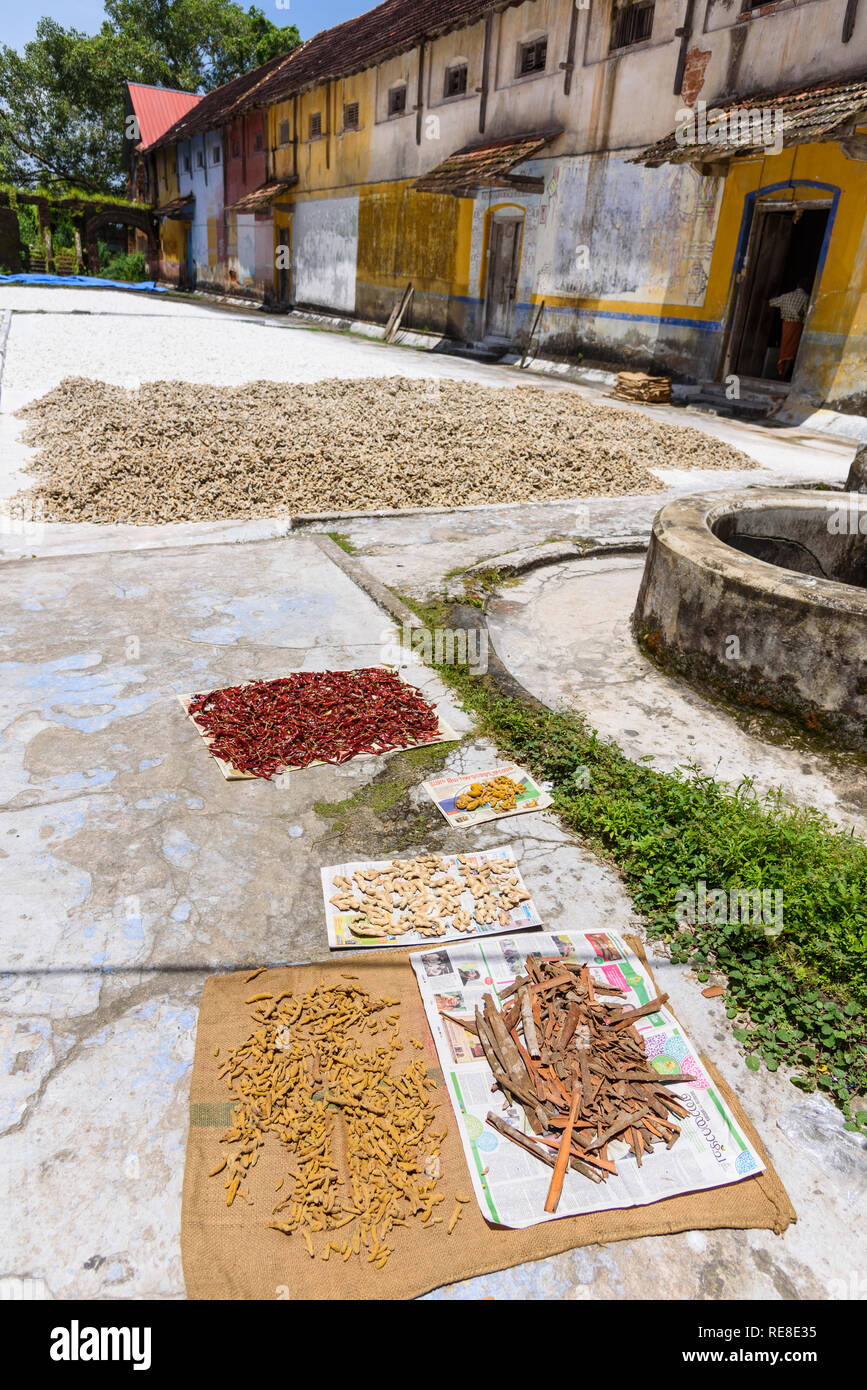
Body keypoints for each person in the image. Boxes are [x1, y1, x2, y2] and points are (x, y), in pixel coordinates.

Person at [769, 279, 810, 380]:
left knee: (785, 348)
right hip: (796, 326)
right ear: (806, 286)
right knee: (791, 351)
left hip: (786, 324)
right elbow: (806, 315)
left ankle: (782, 372)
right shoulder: (806, 298)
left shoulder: (786, 296)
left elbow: (771, 302)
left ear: (797, 285)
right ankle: (784, 375)